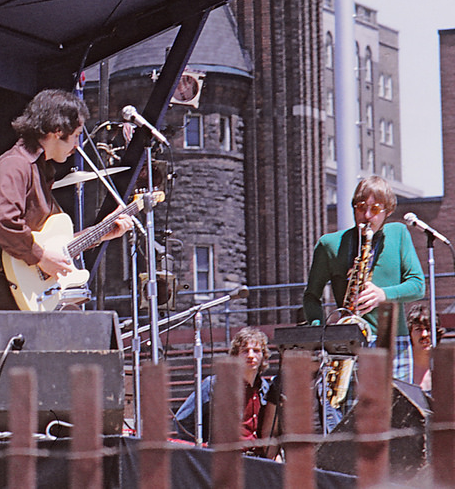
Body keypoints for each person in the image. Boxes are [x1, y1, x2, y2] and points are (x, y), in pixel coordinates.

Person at [0, 89, 133, 311]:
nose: (77, 145)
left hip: (24, 291)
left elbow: (55, 245)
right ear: (58, 131)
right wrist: (39, 256)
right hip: (3, 290)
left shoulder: (39, 170)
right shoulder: (14, 165)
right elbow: (0, 220)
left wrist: (102, 232)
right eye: (77, 135)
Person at [302, 176, 425, 380]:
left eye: (375, 209)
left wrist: (382, 295)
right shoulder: (329, 244)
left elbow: (418, 286)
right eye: (360, 208)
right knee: (352, 411)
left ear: (388, 211)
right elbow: (311, 297)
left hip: (395, 342)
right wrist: (322, 338)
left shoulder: (399, 233)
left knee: (397, 411)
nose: (366, 216)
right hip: (349, 343)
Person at [173, 326, 277, 455]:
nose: (251, 356)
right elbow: (182, 419)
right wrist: (200, 453)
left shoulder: (265, 388)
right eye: (245, 351)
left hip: (258, 461)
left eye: (256, 351)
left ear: (263, 356)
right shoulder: (214, 385)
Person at [407, 303, 441, 392]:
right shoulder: (403, 369)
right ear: (410, 333)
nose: (424, 334)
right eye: (418, 329)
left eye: (428, 329)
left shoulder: (445, 370)